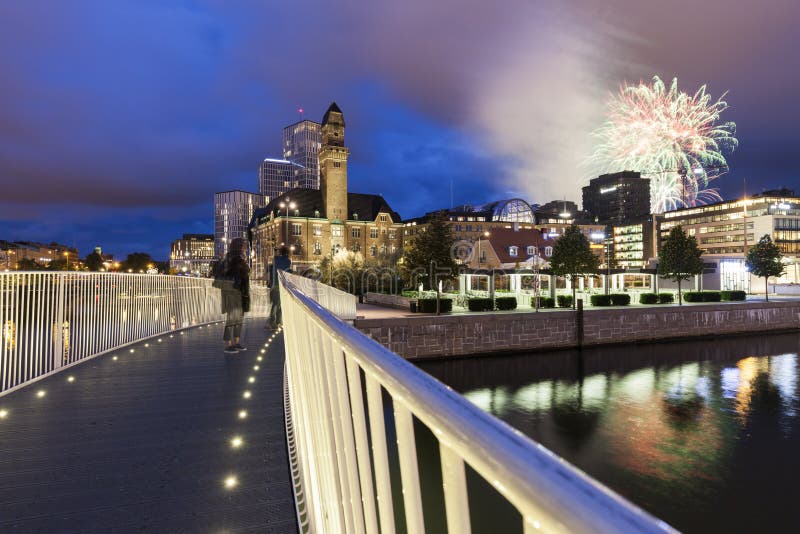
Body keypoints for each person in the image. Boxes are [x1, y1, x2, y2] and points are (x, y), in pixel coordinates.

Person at [219, 238, 250, 353]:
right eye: (244, 246)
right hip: (233, 291)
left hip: (240, 291)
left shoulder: (240, 258)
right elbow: (235, 273)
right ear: (240, 246)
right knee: (231, 318)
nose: (246, 248)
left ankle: (237, 342)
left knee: (239, 318)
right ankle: (228, 344)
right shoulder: (232, 258)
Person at [269, 246, 292, 328]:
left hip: (275, 284)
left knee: (275, 304)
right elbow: (288, 273)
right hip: (283, 285)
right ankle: (279, 321)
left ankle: (272, 322)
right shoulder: (288, 261)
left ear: (281, 252)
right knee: (281, 304)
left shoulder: (276, 259)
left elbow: (273, 267)